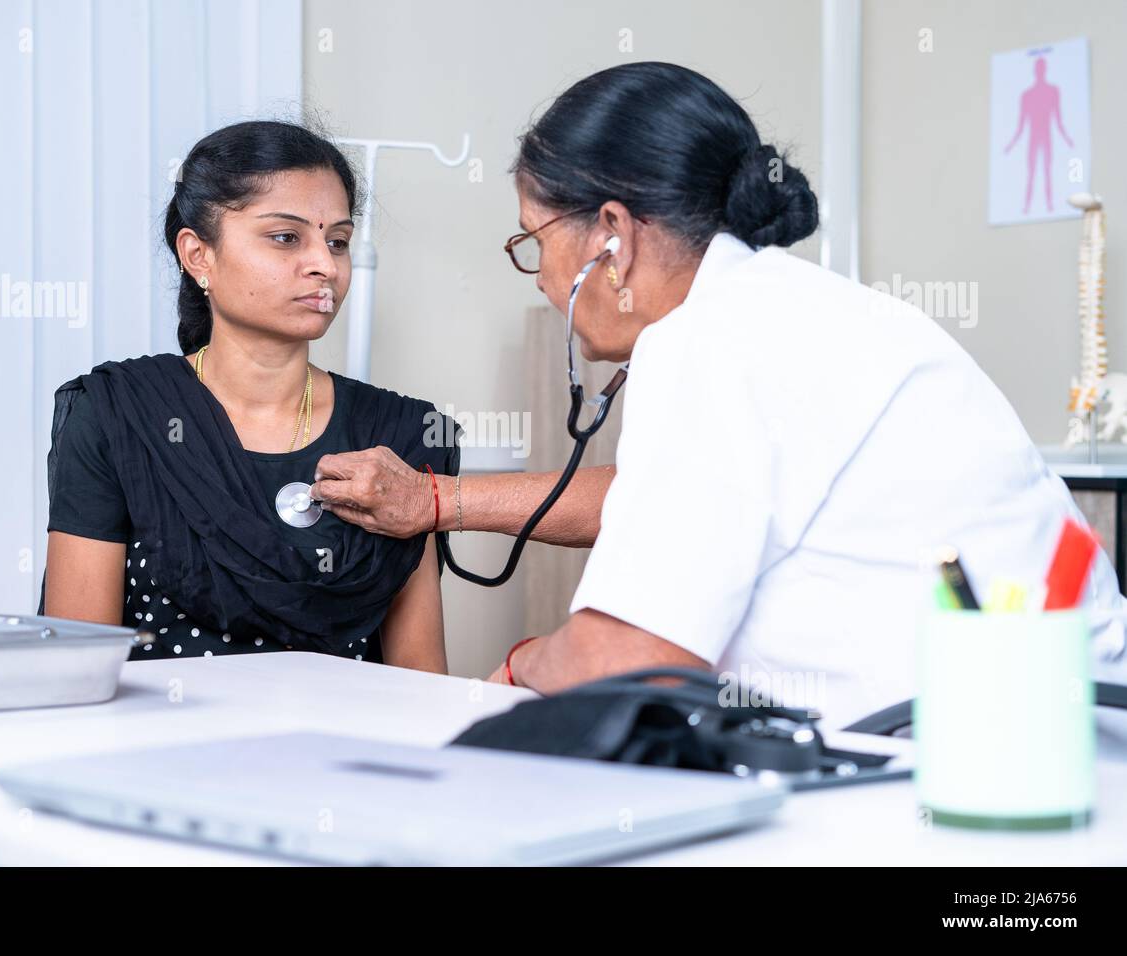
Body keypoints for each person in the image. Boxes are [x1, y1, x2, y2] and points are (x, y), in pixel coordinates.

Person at [309, 62, 1126, 728]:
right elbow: (663, 500)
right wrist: (435, 501)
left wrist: (521, 667)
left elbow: (632, 663)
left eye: (535, 239)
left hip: (973, 756)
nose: (545, 278)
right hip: (1059, 726)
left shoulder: (711, 338)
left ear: (611, 237)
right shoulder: (789, 306)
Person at [40, 120, 458, 671]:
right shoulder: (118, 414)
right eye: (286, 237)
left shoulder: (402, 432)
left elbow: (420, 685)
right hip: (159, 751)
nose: (325, 266)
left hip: (341, 752)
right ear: (198, 255)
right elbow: (76, 675)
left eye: (337, 241)